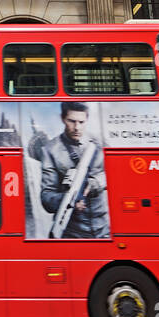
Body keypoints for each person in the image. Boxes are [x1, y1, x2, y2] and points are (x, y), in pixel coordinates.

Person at [39, 102, 108, 239]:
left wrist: (95, 184)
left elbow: (115, 173)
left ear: (87, 120)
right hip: (72, 233)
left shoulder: (98, 143)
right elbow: (46, 196)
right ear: (63, 119)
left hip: (103, 228)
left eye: (81, 122)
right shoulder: (50, 150)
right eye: (72, 121)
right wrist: (69, 199)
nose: (77, 127)